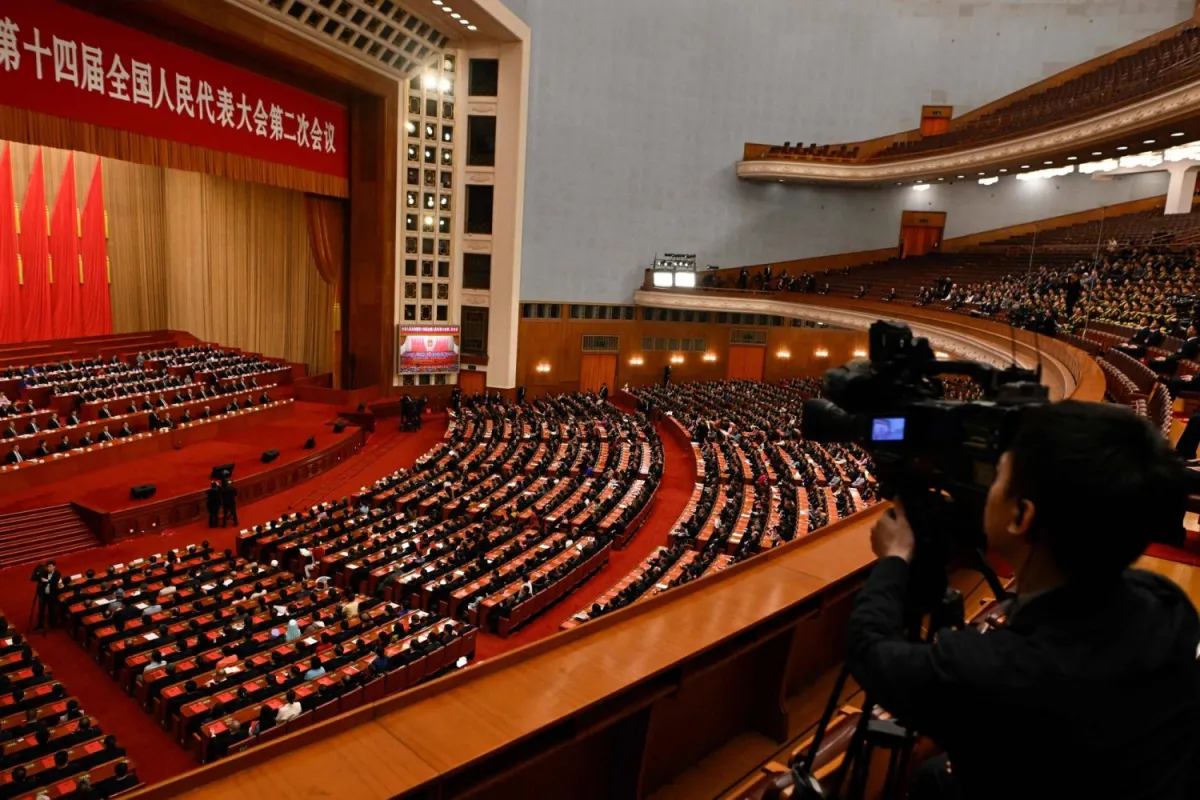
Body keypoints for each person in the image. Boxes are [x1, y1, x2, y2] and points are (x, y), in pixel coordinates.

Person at [846, 401, 1200, 800]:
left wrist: (895, 558)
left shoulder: (993, 671)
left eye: (996, 477)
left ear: (1021, 516)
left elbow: (869, 649)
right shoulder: (1166, 604)